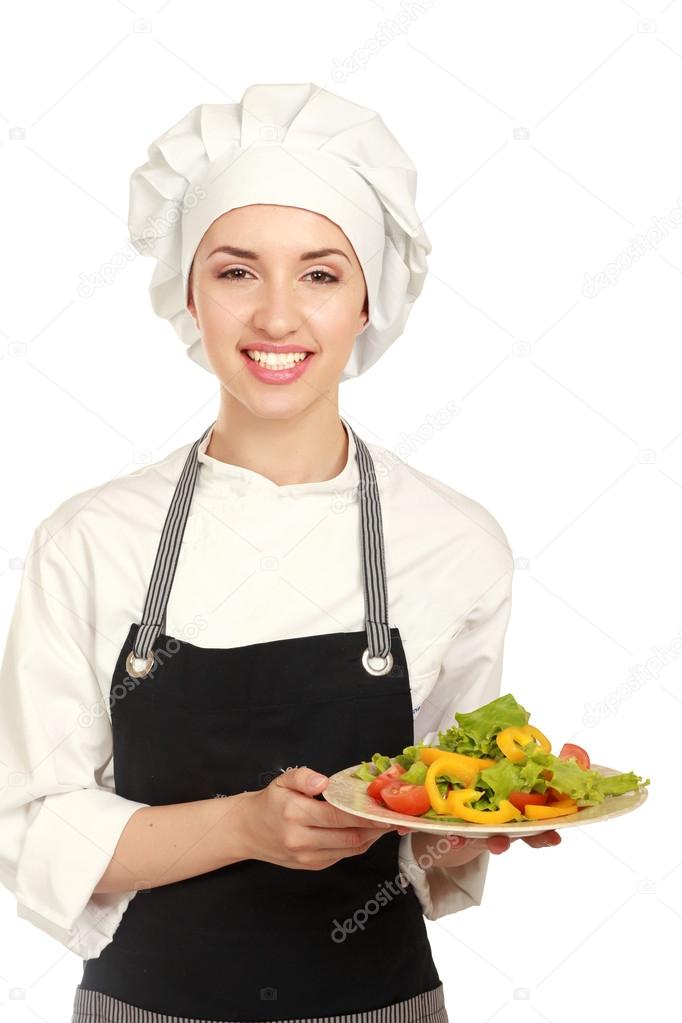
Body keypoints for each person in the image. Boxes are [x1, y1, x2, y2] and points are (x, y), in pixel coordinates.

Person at [0, 82, 559, 1023]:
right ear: (189, 292)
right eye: (236, 271)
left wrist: (470, 829)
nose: (275, 317)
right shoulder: (90, 539)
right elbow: (30, 825)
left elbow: (427, 833)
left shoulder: (455, 542)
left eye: (321, 274)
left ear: (369, 298)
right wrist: (242, 825)